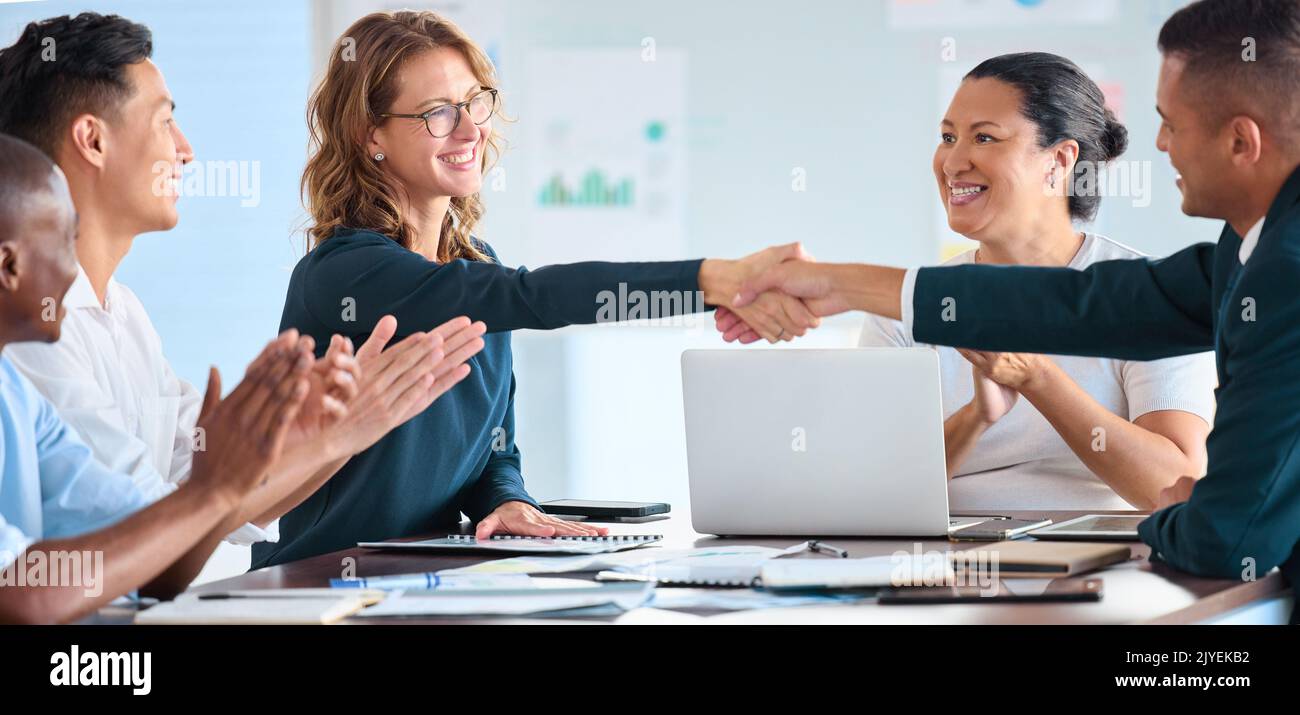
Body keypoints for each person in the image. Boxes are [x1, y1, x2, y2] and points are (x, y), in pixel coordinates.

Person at [725, 0, 1300, 615]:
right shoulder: (1248, 254)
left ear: (1061, 160)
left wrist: (1173, 517)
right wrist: (843, 287)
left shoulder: (1280, 271)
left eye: (1172, 125)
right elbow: (1085, 305)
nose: (1159, 145)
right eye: (947, 136)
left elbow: (1222, 533)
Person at [257, 10, 818, 566]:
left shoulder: (478, 266)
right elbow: (531, 296)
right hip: (321, 586)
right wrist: (712, 281)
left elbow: (495, 451)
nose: (472, 129)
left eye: (475, 102)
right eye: (438, 114)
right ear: (369, 134)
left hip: (432, 582)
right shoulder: (345, 272)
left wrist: (508, 500)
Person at [0, 12, 486, 551]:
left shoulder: (122, 311)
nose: (185, 151)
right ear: (92, 140)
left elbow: (203, 486)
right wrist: (341, 434)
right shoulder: (30, 334)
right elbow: (148, 525)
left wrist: (331, 435)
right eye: (165, 122)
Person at [854, 52, 1214, 511]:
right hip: (944, 560)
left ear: (1059, 161)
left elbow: (1175, 488)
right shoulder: (907, 307)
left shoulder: (1151, 297)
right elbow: (868, 493)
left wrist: (1037, 378)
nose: (953, 162)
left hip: (1105, 561)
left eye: (984, 137)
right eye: (947, 137)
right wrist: (976, 419)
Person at [0, 132, 318, 623]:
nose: (74, 270)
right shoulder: (35, 365)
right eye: (65, 241)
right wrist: (211, 493)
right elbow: (23, 595)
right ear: (8, 264)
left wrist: (224, 483)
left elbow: (156, 561)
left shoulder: (18, 395)